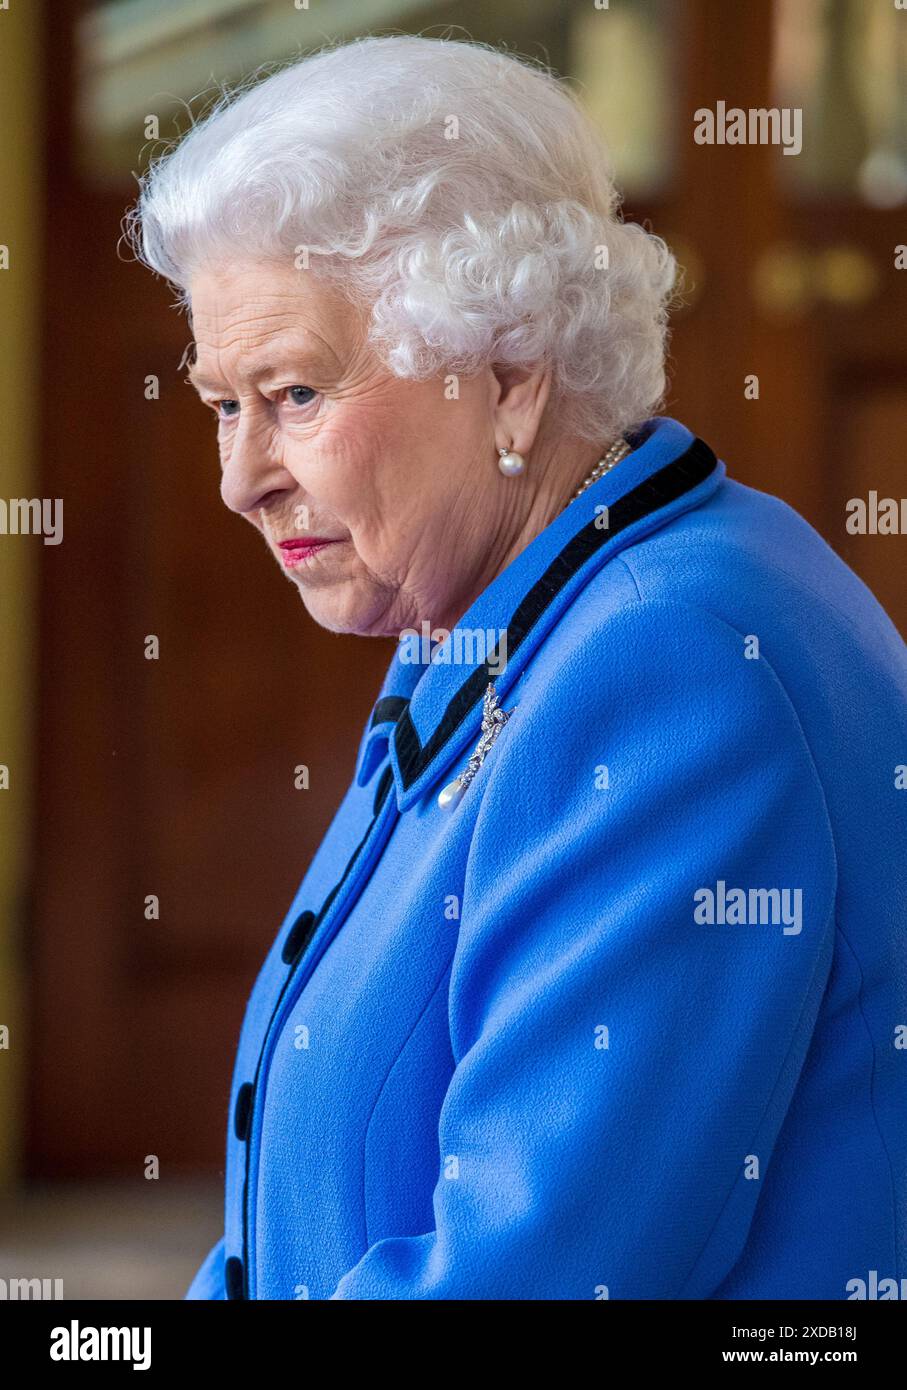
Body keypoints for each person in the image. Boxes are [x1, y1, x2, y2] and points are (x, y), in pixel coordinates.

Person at [129, 34, 907, 1299]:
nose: (240, 479)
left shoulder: (672, 663)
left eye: (295, 394)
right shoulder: (496, 607)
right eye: (225, 403)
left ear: (507, 377)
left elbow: (534, 1278)